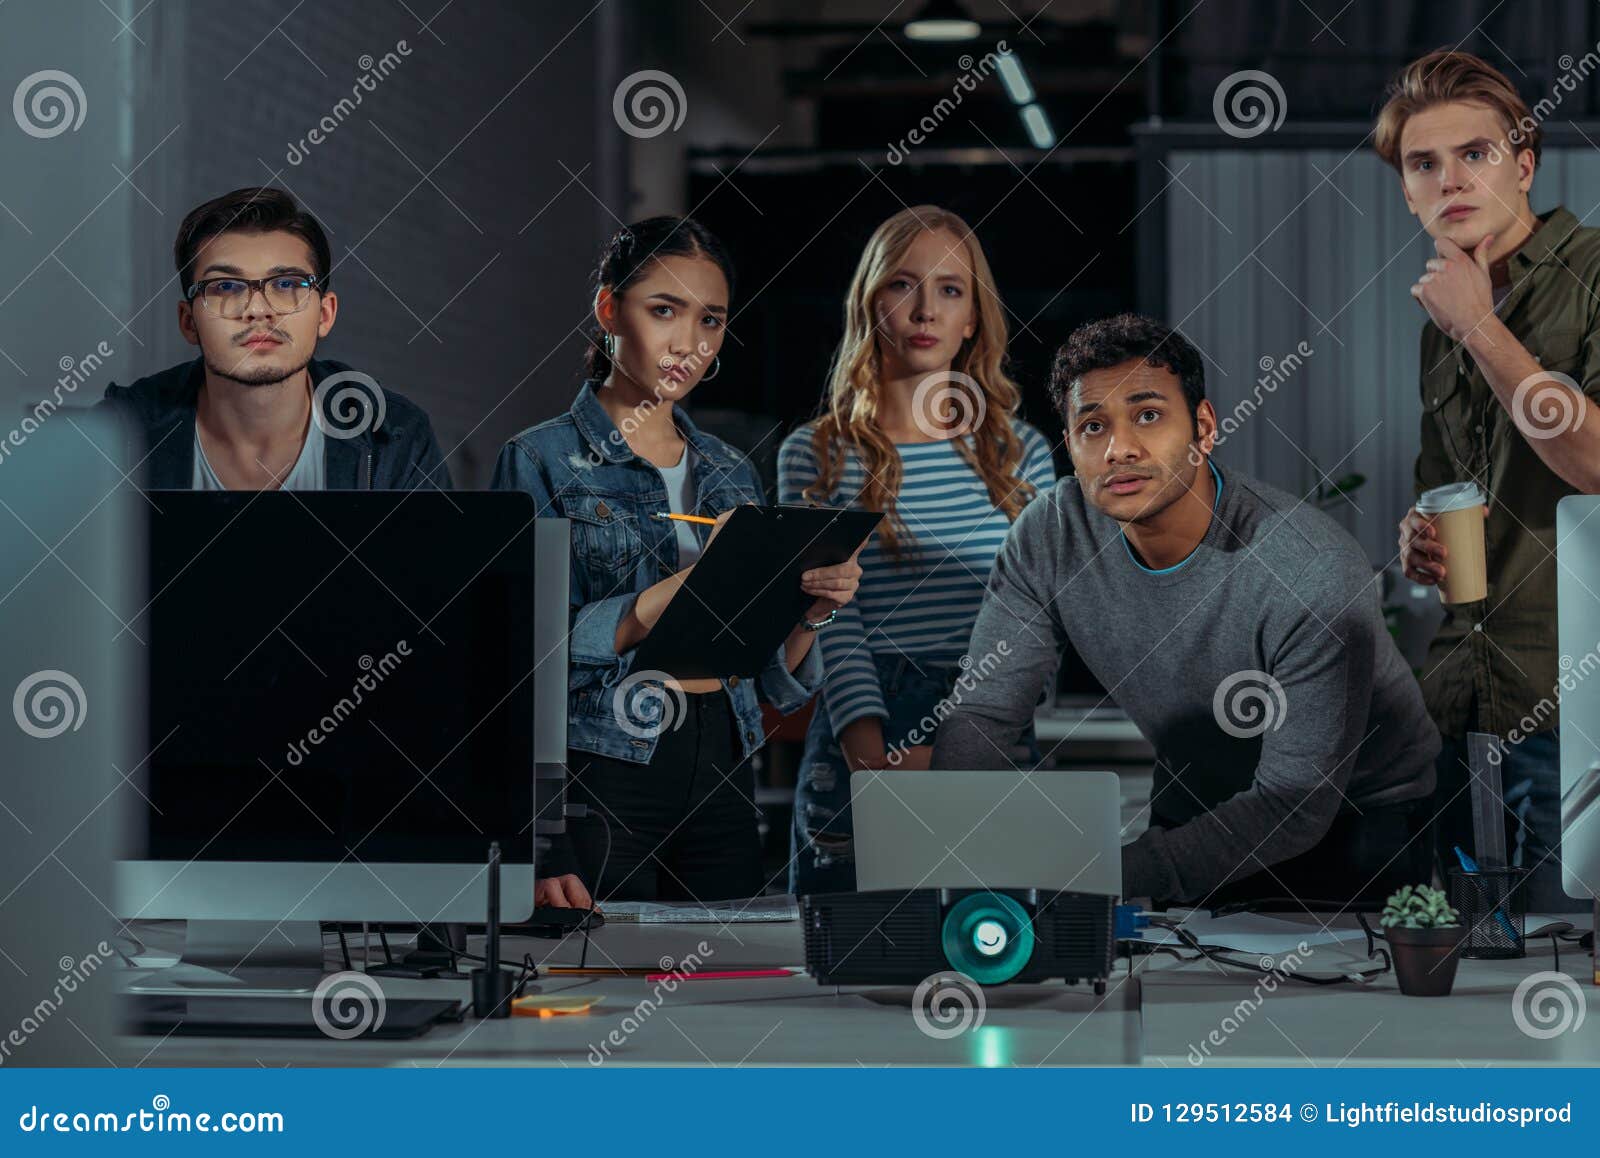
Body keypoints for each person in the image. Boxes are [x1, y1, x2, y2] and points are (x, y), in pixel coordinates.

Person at [931, 314, 1440, 909]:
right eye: (1093, 426)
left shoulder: (1310, 571)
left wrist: (1093, 875)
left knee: (1318, 993)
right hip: (1197, 793)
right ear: (1070, 447)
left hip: (1357, 816)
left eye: (1148, 415)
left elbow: (1294, 805)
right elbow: (984, 715)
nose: (1120, 448)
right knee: (1160, 984)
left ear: (1203, 428)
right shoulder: (1049, 536)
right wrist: (952, 858)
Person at [493, 216, 861, 907]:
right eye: (664, 311)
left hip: (721, 761)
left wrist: (809, 611)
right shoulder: (539, 458)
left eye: (711, 321)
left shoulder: (730, 471)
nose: (688, 344)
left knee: (724, 991)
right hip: (603, 771)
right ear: (609, 309)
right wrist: (542, 842)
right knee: (602, 988)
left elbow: (773, 684)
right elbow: (519, 664)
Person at [778, 205, 1055, 894]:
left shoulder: (1025, 455)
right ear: (870, 306)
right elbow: (829, 618)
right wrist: (871, 757)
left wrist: (969, 747)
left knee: (1000, 958)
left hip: (991, 720)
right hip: (860, 722)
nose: (926, 308)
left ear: (973, 320)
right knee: (846, 970)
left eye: (951, 289)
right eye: (903, 285)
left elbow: (1041, 622)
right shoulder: (814, 454)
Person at [1380, 50, 1600, 911]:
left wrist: (1481, 329)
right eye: (1423, 164)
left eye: (1476, 153)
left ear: (1525, 164)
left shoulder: (1587, 278)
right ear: (1406, 192)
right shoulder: (1444, 321)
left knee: (1569, 993)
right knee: (1473, 984)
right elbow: (1454, 488)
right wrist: (1419, 543)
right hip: (1466, 705)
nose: (1451, 179)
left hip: (1573, 706)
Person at [97, 186, 449, 491]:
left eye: (287, 285)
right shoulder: (122, 433)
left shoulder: (393, 437)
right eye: (226, 287)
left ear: (324, 315)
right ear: (189, 322)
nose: (258, 311)